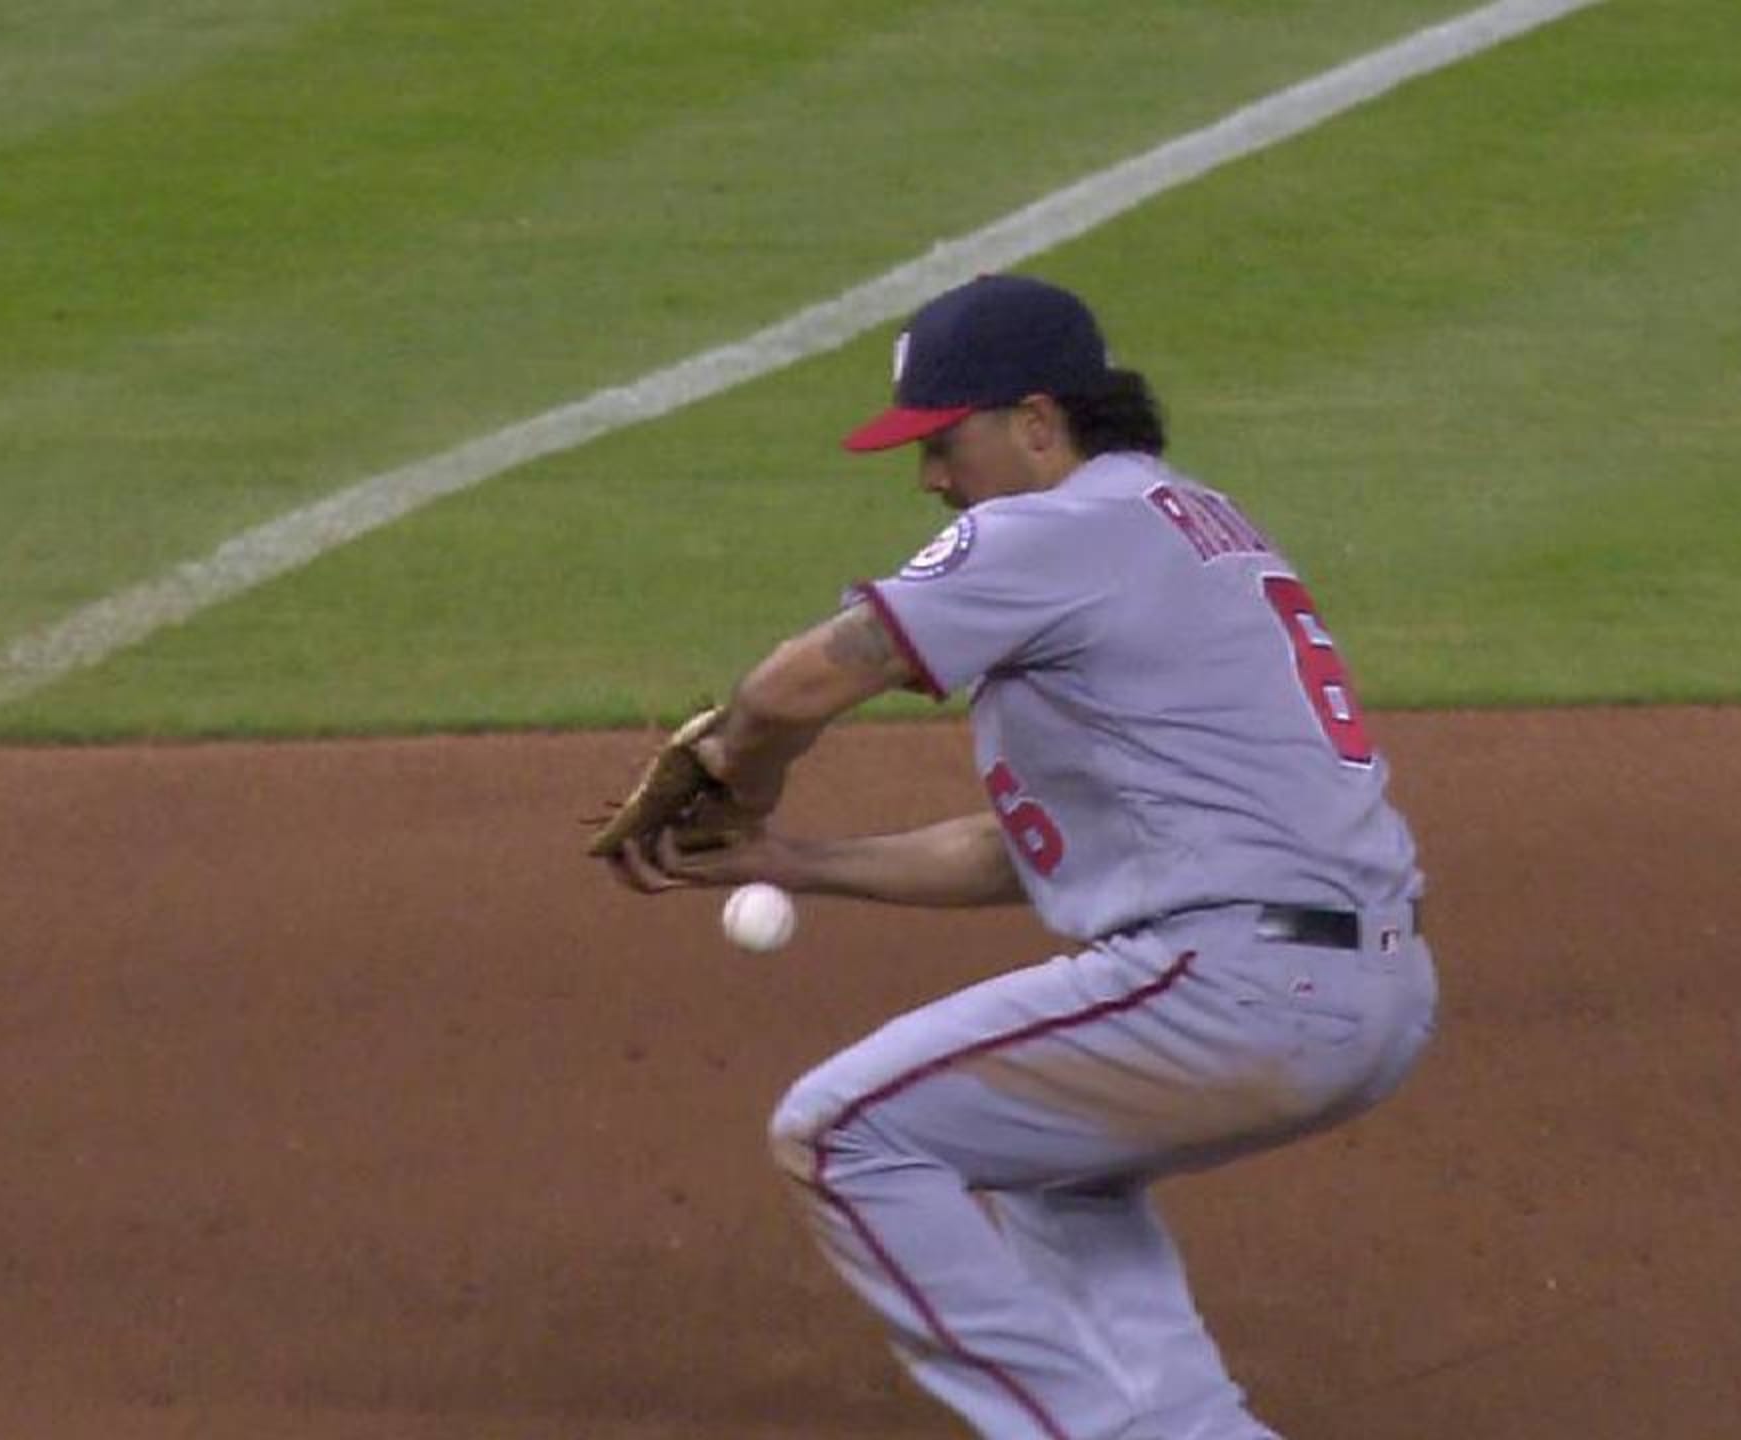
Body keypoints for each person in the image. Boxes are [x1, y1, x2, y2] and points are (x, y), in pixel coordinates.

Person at [608, 273, 1437, 1440]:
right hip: (1359, 985)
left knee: (844, 1131)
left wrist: (744, 768)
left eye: (943, 442)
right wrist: (795, 857)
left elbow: (796, 682)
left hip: (1240, 982)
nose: (931, 477)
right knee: (1048, 1163)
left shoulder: (1060, 526)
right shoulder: (1180, 522)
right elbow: (1022, 855)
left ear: (1037, 423)